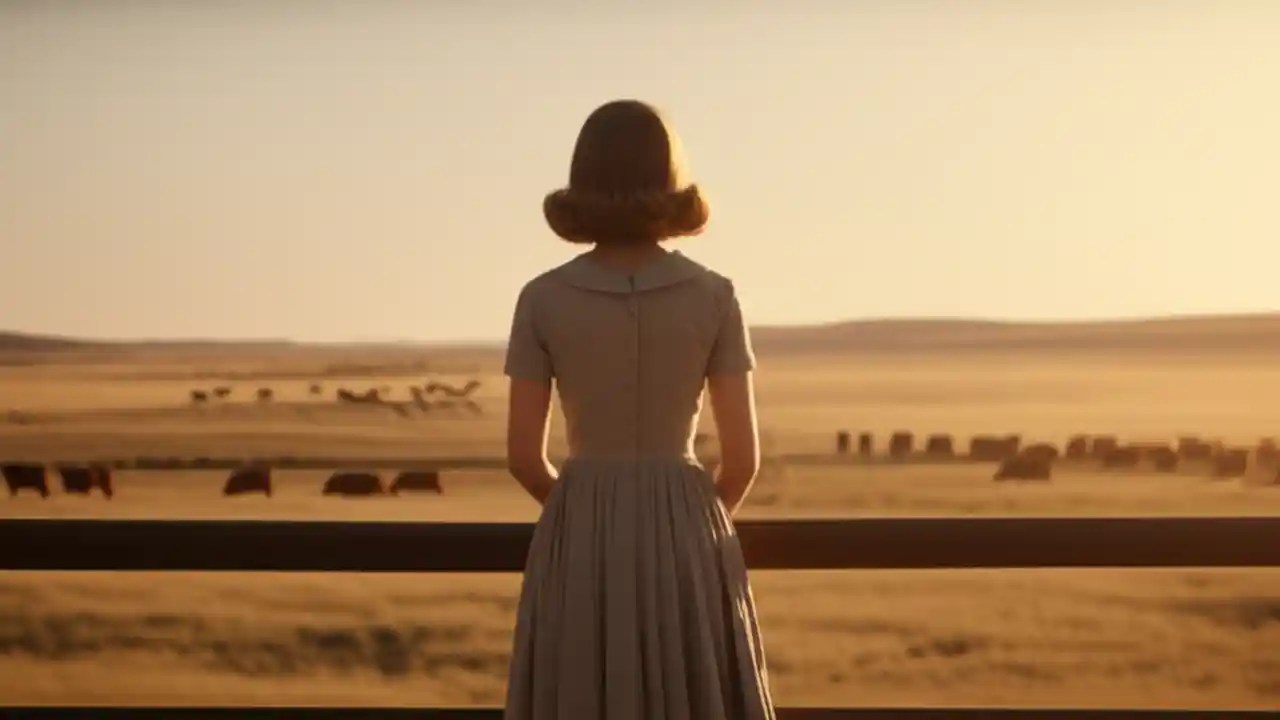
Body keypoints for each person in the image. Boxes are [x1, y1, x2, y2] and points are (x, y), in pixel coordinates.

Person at [502, 99, 775, 720]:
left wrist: (588, 516)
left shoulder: (542, 298)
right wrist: (679, 522)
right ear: (671, 181)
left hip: (581, 538)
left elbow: (523, 458)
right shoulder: (715, 295)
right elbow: (742, 462)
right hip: (688, 532)